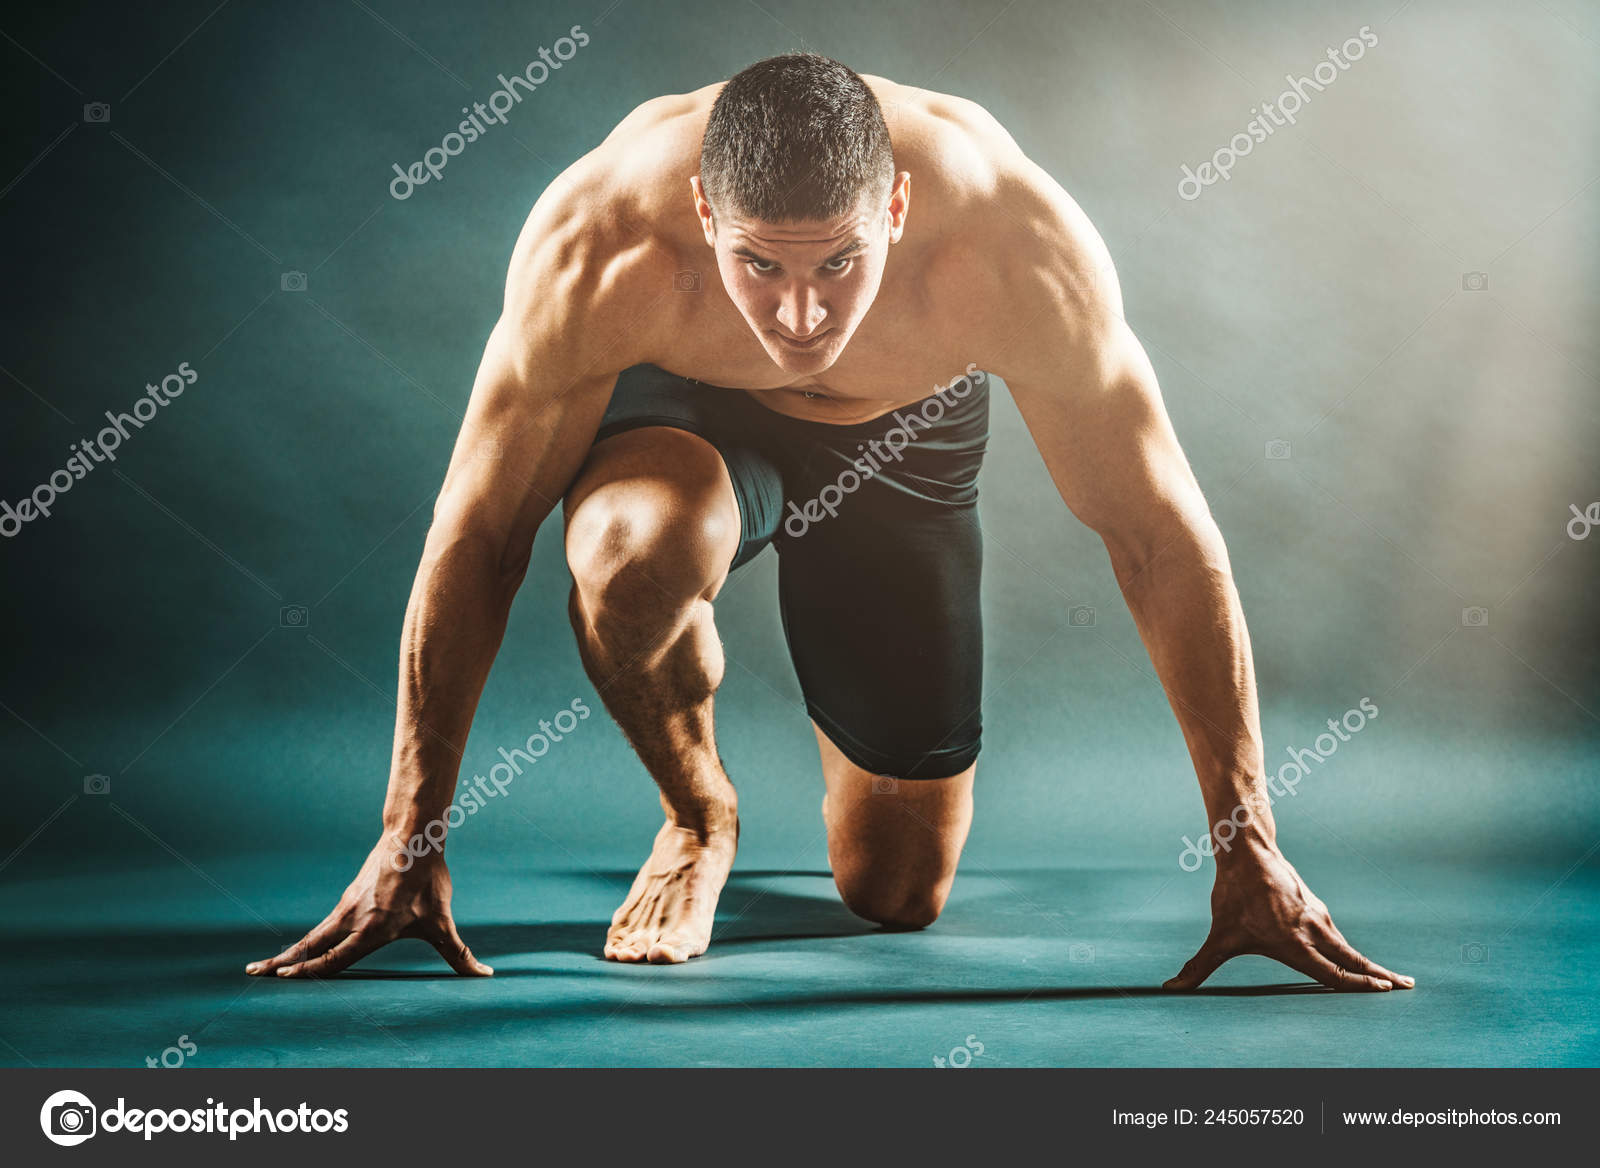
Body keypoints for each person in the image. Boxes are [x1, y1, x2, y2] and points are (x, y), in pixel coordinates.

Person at [247, 53, 1411, 993]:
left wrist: (1248, 845)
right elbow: (478, 532)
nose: (799, 318)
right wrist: (408, 835)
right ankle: (697, 816)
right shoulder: (603, 240)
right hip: (690, 423)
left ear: (895, 209)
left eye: (839, 265)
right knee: (623, 557)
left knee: (895, 895)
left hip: (902, 444)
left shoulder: (1008, 242)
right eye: (757, 266)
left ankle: (855, 786)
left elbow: (1159, 536)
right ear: (703, 212)